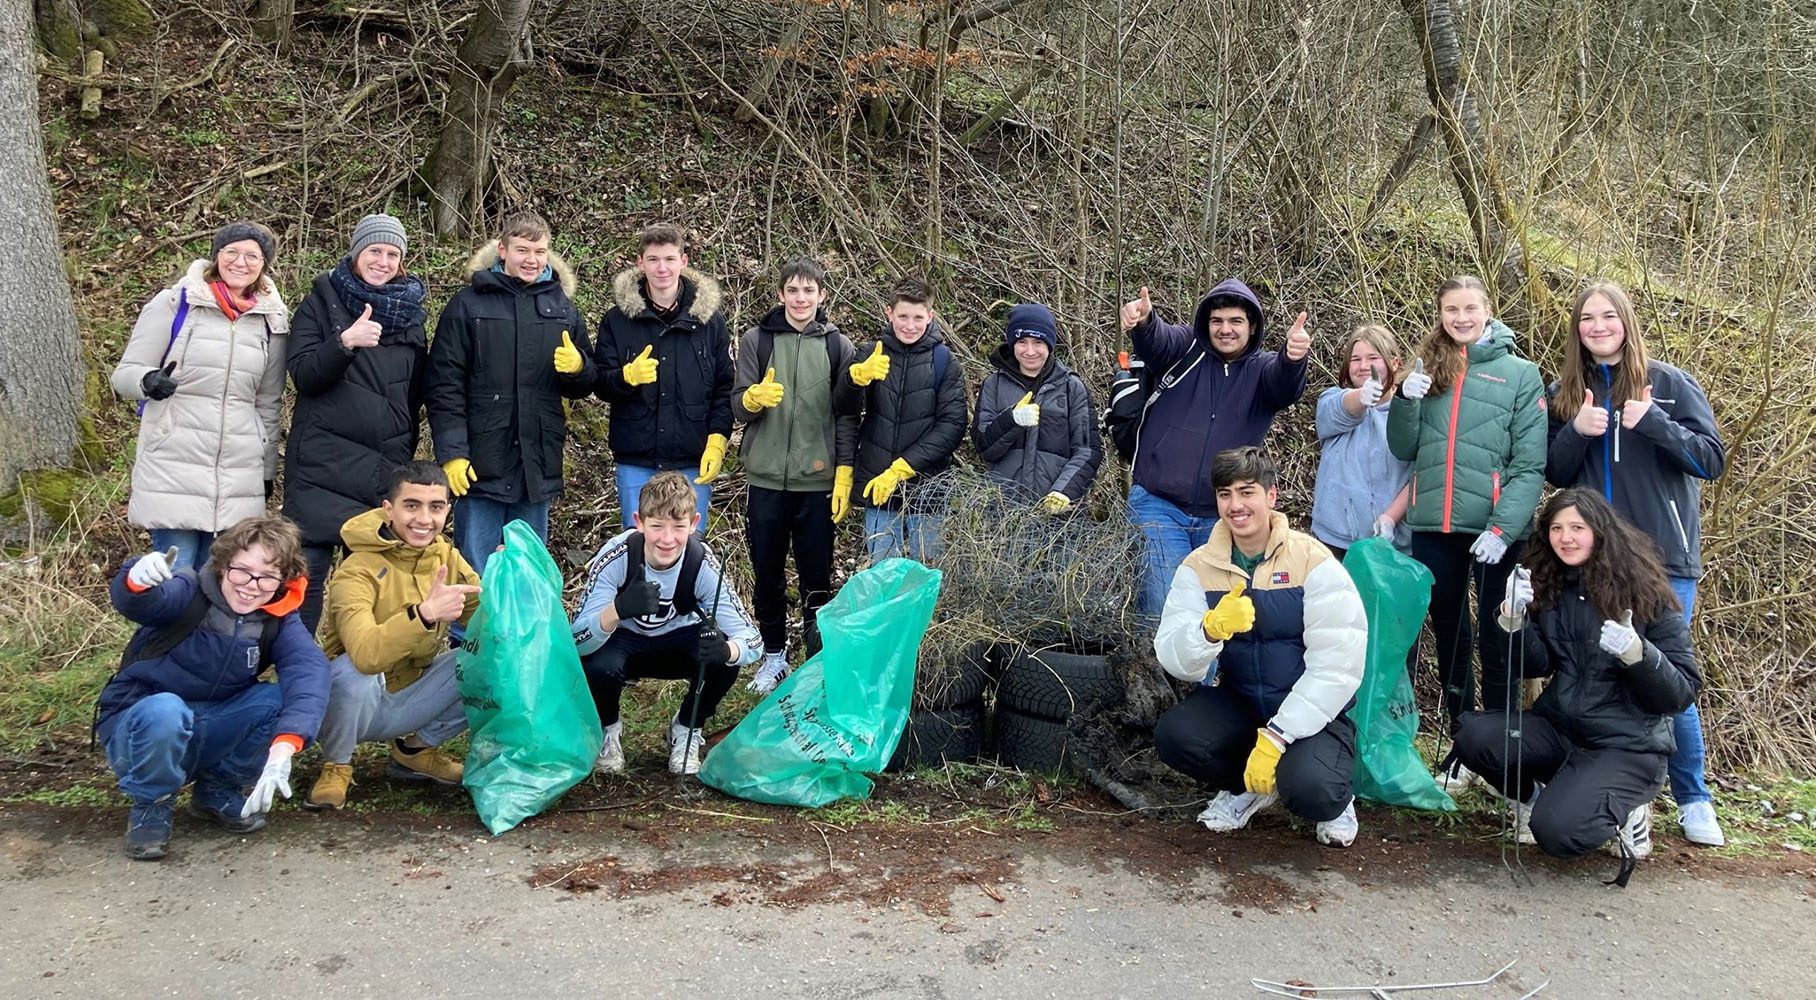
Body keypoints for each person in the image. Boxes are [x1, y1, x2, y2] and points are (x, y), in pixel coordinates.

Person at [1545, 280, 1728, 847]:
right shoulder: (1566, 390)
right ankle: (1621, 799)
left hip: (1663, 561)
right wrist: (1576, 432)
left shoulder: (1669, 384)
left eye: (1608, 316)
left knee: (1663, 675)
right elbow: (1554, 470)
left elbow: (1711, 459)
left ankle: (1694, 798)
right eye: (1586, 319)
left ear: (1626, 321)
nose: (1597, 327)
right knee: (1598, 676)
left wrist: (1652, 423)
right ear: (1577, 330)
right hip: (1594, 564)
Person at [1453, 488, 1699, 874]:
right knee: (1473, 735)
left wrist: (1638, 653)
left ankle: (1628, 809)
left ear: (1601, 531)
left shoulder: (1648, 592)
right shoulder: (1553, 582)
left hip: (1627, 745)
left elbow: (1681, 693)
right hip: (1563, 728)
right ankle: (1534, 799)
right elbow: (1533, 665)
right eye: (1556, 528)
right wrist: (1512, 619)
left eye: (1577, 527)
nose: (1565, 537)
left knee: (1557, 833)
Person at [1152, 447, 1368, 847]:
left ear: (1271, 496)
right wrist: (1209, 630)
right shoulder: (1198, 566)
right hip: (1243, 701)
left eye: (1247, 492)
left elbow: (1337, 667)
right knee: (1175, 736)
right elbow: (1171, 654)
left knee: (1311, 789)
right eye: (1225, 494)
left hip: (1311, 713)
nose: (1236, 505)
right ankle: (1248, 787)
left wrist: (1278, 736)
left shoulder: (1313, 562)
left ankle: (1337, 801)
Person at [1386, 276, 1545, 788]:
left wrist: (1504, 527)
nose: (1460, 317)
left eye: (1470, 308)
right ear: (1440, 313)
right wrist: (1405, 401)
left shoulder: (1521, 374)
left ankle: (1499, 753)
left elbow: (1529, 464)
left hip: (1498, 530)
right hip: (1435, 525)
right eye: (1451, 309)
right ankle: (1462, 744)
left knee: (1502, 641)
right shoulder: (1429, 366)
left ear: (1488, 310)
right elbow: (1402, 449)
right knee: (1451, 638)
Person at [99, 516, 330, 860]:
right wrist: (135, 577)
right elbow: (143, 601)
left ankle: (216, 791)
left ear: (284, 580)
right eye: (242, 570)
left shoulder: (277, 617)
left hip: (209, 724)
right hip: (140, 728)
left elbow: (308, 671)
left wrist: (286, 745)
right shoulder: (189, 589)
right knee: (166, 709)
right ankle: (152, 804)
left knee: (281, 701)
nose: (251, 585)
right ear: (223, 564)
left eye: (268, 576)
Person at [1116, 281, 1311, 618]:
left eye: (1235, 321)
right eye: (1217, 320)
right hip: (1158, 504)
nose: (1225, 329)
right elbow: (1157, 340)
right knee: (1162, 602)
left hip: (1222, 513)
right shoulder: (1185, 350)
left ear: (1251, 326)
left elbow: (1284, 386)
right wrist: (1145, 321)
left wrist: (1293, 359)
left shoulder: (1263, 369)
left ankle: (1197, 674)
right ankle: (1151, 671)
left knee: (1214, 613)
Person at [110, 221, 289, 571]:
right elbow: (125, 373)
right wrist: (148, 381)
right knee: (176, 580)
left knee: (219, 587)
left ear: (263, 265)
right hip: (174, 464)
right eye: (232, 252)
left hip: (239, 475)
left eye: (252, 255)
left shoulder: (272, 320)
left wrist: (266, 471)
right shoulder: (176, 303)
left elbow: (267, 402)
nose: (241, 262)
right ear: (216, 256)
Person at [427, 211, 597, 573]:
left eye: (540, 251)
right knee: (475, 571)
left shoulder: (563, 309)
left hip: (535, 468)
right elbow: (444, 384)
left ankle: (524, 634)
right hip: (479, 466)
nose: (532, 260)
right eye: (522, 250)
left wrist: (579, 367)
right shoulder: (467, 305)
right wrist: (453, 452)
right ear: (502, 250)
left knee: (528, 573)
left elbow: (586, 384)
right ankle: (468, 633)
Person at [283, 213, 430, 633]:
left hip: (381, 469)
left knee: (364, 589)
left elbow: (416, 392)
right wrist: (344, 342)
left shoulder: (412, 315)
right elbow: (304, 374)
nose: (382, 261)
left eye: (392, 254)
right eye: (374, 251)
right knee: (305, 580)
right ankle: (297, 676)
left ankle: (352, 678)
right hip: (320, 465)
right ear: (356, 253)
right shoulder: (322, 299)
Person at [304, 462, 480, 810]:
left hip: (410, 696)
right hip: (351, 706)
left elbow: (486, 618)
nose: (424, 519)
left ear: (447, 509)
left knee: (485, 659)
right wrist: (424, 615)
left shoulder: (446, 555)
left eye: (436, 507)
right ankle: (336, 765)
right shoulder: (356, 568)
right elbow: (366, 655)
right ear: (389, 510)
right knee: (355, 672)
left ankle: (414, 751)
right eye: (411, 505)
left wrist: (510, 582)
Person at [571, 472, 762, 775]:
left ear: (694, 523)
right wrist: (617, 610)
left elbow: (752, 640)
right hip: (624, 645)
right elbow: (576, 642)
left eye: (679, 527)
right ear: (639, 521)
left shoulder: (702, 563)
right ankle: (608, 730)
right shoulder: (617, 555)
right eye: (657, 526)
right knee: (596, 664)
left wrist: (727, 651)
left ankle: (686, 728)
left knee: (723, 661)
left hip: (679, 645)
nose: (667, 539)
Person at [731, 258, 863, 692]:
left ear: (823, 296)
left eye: (809, 291)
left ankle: (815, 661)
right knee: (766, 572)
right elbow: (735, 404)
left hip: (817, 482)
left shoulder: (837, 346)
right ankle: (772, 656)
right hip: (765, 478)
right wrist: (752, 399)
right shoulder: (757, 340)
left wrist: (843, 470)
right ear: (780, 294)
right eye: (793, 290)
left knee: (816, 577)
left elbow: (847, 413)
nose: (801, 299)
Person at [593, 223, 733, 529]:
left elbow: (725, 386)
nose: (662, 268)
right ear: (640, 263)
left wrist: (717, 439)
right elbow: (599, 382)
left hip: (693, 460)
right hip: (636, 461)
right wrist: (625, 377)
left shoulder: (709, 322)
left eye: (670, 259)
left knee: (690, 552)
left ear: (683, 262)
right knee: (638, 545)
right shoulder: (617, 320)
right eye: (654, 259)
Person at [850, 276, 969, 562]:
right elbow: (844, 409)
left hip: (928, 493)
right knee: (881, 575)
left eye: (918, 317)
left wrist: (904, 468)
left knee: (923, 577)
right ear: (889, 313)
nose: (909, 325)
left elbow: (952, 425)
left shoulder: (944, 361)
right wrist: (854, 379)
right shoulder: (871, 353)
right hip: (878, 490)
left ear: (931, 316)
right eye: (903, 316)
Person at [970, 303, 1102, 513]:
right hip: (1003, 515)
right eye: (1022, 342)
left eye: (1038, 342)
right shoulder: (993, 385)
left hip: (1058, 520)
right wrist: (1011, 420)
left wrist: (1064, 491)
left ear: (1049, 345)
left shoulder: (1072, 388)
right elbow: (984, 447)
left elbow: (1087, 450)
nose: (1030, 351)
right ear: (1013, 343)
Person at [1312, 325, 1412, 560]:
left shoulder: (1409, 415)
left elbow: (1422, 474)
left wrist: (1389, 519)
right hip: (1333, 541)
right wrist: (1362, 397)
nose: (1363, 366)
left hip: (1389, 545)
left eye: (1373, 358)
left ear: (1394, 363)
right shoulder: (1331, 400)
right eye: (1355, 359)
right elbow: (1342, 409)